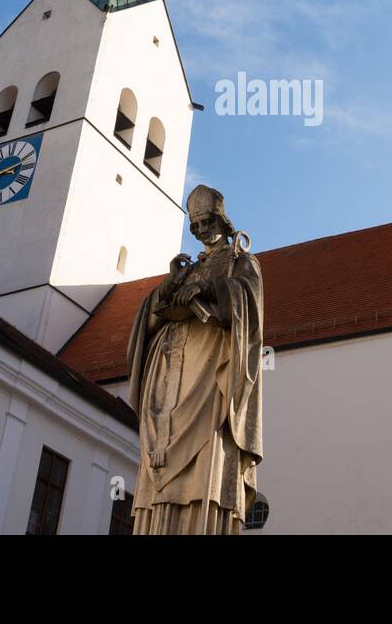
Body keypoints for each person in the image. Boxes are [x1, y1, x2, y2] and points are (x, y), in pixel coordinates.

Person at [125, 185, 264, 534]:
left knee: (207, 459)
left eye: (208, 221)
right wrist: (170, 286)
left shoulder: (240, 260)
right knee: (159, 462)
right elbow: (149, 317)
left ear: (222, 219)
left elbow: (249, 303)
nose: (203, 230)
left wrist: (207, 290)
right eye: (196, 225)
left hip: (208, 370)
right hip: (169, 370)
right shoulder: (188, 267)